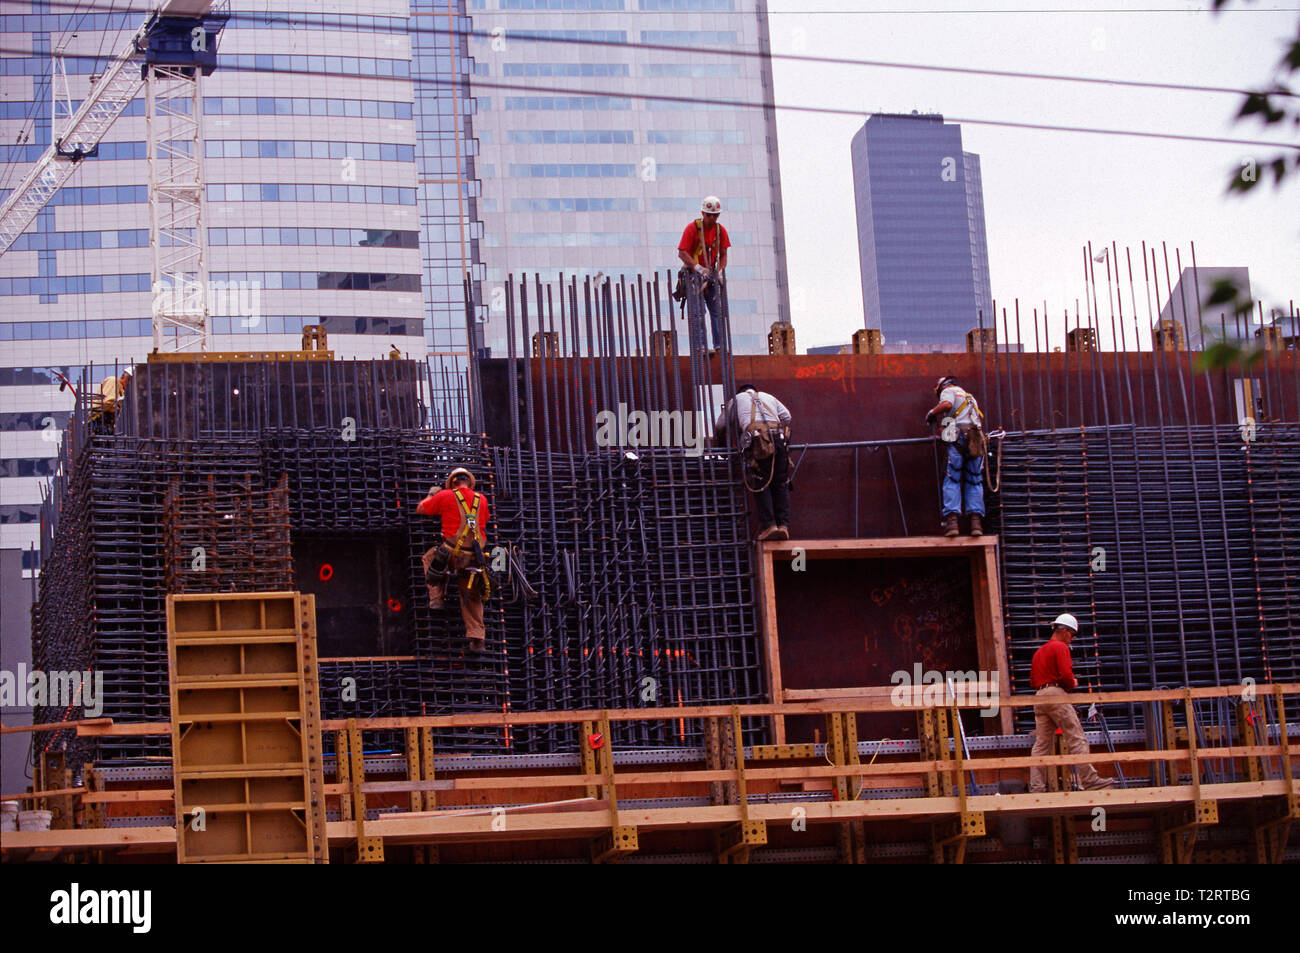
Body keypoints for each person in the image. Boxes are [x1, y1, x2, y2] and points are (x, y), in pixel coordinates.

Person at [1027, 613, 1114, 793]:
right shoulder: (1060, 647)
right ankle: (1090, 780)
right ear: (1065, 631)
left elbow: (1032, 680)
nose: (1071, 639)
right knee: (1076, 737)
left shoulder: (1039, 651)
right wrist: (1072, 683)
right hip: (1056, 694)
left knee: (1041, 745)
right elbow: (1066, 676)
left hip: (1039, 695)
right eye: (1072, 635)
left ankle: (1036, 787)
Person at [417, 468, 491, 653]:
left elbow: (421, 509)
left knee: (430, 557)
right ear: (470, 483)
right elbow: (485, 521)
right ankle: (477, 639)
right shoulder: (481, 499)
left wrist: (431, 495)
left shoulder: (445, 495)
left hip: (451, 554)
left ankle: (436, 598)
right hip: (474, 557)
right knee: (471, 593)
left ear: (452, 483)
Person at [715, 383, 792, 541]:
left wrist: (722, 448)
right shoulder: (768, 396)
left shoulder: (736, 400)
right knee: (780, 482)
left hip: (758, 441)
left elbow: (720, 425)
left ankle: (769, 525)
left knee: (760, 482)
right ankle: (783, 525)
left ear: (741, 393)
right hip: (778, 439)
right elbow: (787, 417)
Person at [925, 375, 985, 537]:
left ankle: (952, 523)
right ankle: (976, 523)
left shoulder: (948, 391)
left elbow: (946, 405)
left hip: (958, 438)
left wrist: (932, 413)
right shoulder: (969, 396)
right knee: (974, 478)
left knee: (952, 477)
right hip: (975, 438)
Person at [677, 195, 731, 354]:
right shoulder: (692, 229)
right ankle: (700, 346)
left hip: (711, 276)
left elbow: (723, 254)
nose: (712, 218)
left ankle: (720, 346)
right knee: (698, 313)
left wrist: (718, 271)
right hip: (693, 275)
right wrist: (698, 268)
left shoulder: (720, 231)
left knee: (717, 311)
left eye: (715, 215)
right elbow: (682, 252)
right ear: (703, 213)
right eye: (709, 215)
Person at [92, 368, 131, 433]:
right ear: (127, 378)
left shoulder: (121, 389)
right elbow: (108, 402)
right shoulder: (113, 381)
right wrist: (117, 408)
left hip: (105, 421)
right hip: (99, 420)